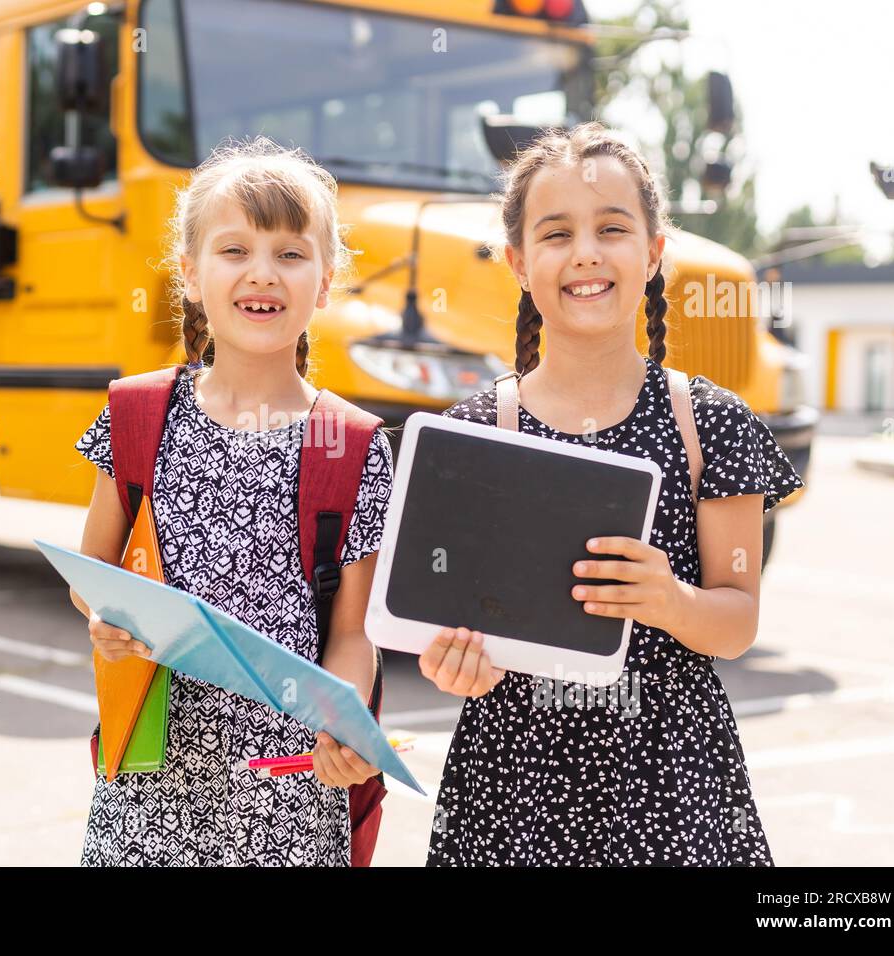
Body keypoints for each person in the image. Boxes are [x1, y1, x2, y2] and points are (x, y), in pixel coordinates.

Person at [421, 121, 804, 866]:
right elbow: (440, 631)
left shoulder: (711, 424)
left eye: (613, 228)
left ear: (655, 252)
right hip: (512, 785)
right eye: (556, 233)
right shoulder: (473, 431)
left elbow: (738, 621)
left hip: (673, 781)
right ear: (518, 261)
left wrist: (671, 601)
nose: (587, 253)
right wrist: (452, 663)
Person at [69, 137, 392, 866]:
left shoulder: (355, 443)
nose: (262, 273)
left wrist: (345, 724)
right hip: (146, 797)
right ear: (189, 273)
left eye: (289, 253)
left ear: (326, 281)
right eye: (234, 250)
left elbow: (351, 633)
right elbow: (93, 575)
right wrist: (107, 622)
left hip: (288, 803)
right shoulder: (136, 414)